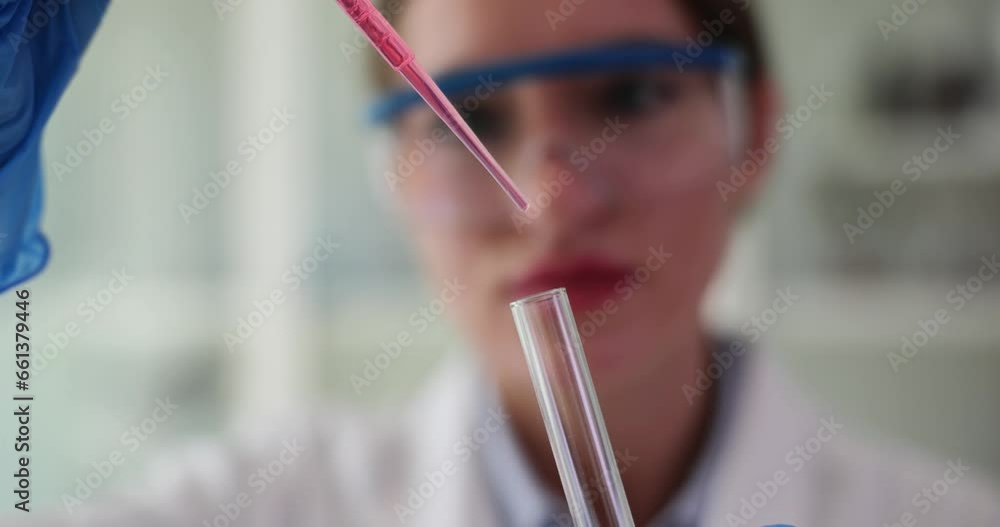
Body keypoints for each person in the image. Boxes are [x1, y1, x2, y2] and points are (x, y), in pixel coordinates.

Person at [3, 0, 999, 526]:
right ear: (392, 175)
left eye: (630, 97)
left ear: (755, 129)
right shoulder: (260, 508)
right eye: (469, 119)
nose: (552, 199)